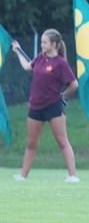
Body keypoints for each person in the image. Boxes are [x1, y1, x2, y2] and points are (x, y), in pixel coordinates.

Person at [11, 29, 82, 182]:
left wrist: (63, 95)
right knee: (31, 143)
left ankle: (72, 176)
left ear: (54, 44)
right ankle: (23, 176)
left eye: (44, 42)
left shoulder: (61, 63)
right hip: (35, 106)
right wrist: (17, 51)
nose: (41, 44)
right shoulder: (40, 58)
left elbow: (74, 84)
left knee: (62, 141)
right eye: (42, 41)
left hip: (53, 107)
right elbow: (27, 66)